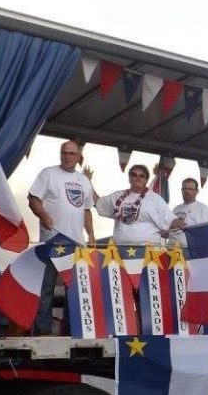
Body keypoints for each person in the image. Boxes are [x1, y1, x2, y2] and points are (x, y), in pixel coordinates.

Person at [27, 139, 97, 335]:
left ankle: (71, 329)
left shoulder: (84, 180)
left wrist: (91, 234)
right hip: (52, 240)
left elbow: (86, 210)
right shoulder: (48, 173)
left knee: (73, 289)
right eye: (64, 153)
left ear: (78, 157)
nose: (67, 157)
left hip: (76, 243)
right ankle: (42, 329)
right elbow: (33, 199)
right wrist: (44, 215)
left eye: (71, 154)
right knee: (46, 287)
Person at [96, 164, 184, 246]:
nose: (138, 177)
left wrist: (187, 227)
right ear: (129, 178)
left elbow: (171, 221)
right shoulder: (117, 196)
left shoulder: (155, 199)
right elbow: (99, 204)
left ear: (146, 180)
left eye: (142, 176)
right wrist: (88, 185)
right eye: (134, 175)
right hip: (121, 251)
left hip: (148, 253)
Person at [168, 178, 208, 246]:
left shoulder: (204, 209)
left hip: (190, 251)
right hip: (171, 249)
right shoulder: (176, 209)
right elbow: (168, 228)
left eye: (191, 189)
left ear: (196, 191)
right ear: (181, 190)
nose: (187, 191)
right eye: (185, 188)